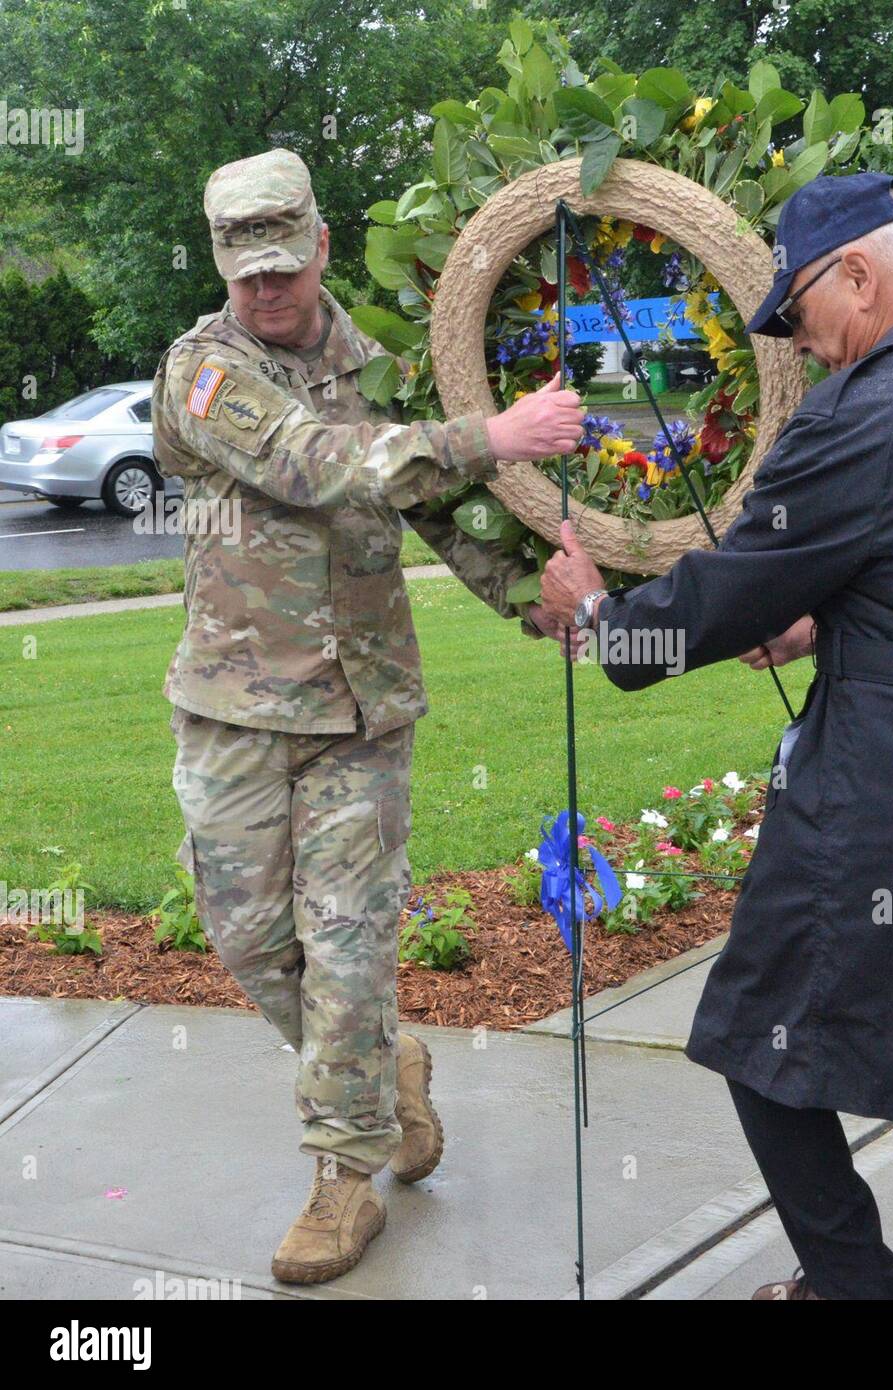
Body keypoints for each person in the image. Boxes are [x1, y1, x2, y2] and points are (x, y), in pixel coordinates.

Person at [541, 172, 893, 1300]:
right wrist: (833, 620)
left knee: (755, 1038)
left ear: (856, 274)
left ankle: (854, 1286)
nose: (801, 347)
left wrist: (604, 616)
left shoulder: (865, 416)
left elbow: (713, 601)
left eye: (799, 313)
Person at [152, 147, 584, 1285]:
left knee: (346, 947)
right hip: (232, 710)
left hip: (361, 709)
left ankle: (344, 1179)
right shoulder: (200, 373)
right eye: (246, 274)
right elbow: (309, 464)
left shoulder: (383, 367)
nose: (267, 291)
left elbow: (443, 513)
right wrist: (490, 433)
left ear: (324, 245)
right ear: (219, 267)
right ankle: (390, 1069)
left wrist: (534, 599)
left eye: (283, 268)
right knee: (249, 939)